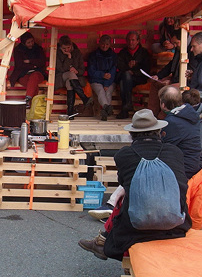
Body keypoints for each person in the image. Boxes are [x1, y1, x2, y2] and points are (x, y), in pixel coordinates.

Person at [78, 109, 191, 260]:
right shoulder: (174, 151)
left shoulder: (124, 155)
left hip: (135, 227)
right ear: (159, 132)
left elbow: (123, 183)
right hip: (177, 224)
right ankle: (102, 241)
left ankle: (103, 241)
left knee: (123, 197)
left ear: (132, 134)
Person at [159, 85, 202, 178]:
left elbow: (164, 148)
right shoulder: (190, 114)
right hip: (192, 164)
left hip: (183, 169)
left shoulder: (172, 122)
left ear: (163, 104)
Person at [116, 31, 151, 119]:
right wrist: (128, 67)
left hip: (139, 78)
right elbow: (119, 66)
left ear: (138, 41)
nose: (130, 42)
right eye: (128, 40)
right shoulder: (123, 52)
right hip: (126, 77)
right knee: (125, 78)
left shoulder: (143, 52)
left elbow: (147, 68)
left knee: (123, 81)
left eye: (133, 40)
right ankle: (127, 105)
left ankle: (125, 108)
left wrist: (134, 72)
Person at [57, 35, 92, 116]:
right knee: (70, 75)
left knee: (70, 83)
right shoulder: (57, 53)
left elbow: (82, 69)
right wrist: (68, 57)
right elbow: (60, 69)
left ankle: (70, 112)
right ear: (60, 47)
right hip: (61, 77)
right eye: (64, 48)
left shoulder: (77, 53)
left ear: (71, 45)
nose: (66, 50)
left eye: (68, 47)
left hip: (75, 77)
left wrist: (76, 71)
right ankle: (84, 98)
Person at [11, 31, 47, 106]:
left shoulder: (38, 49)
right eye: (28, 42)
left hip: (38, 72)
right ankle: (33, 106)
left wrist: (30, 61)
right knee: (33, 85)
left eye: (32, 41)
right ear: (24, 43)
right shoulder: (18, 50)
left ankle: (28, 99)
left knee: (34, 76)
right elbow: (20, 65)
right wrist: (33, 66)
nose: (31, 44)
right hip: (23, 74)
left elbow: (42, 62)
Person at [87, 34, 118, 121]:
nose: (105, 46)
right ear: (99, 43)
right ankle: (107, 108)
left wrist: (107, 83)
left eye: (107, 44)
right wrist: (102, 75)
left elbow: (113, 71)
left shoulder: (113, 56)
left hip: (109, 81)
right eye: (103, 44)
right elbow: (91, 71)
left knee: (108, 92)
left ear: (110, 44)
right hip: (96, 80)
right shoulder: (93, 55)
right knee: (101, 91)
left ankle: (104, 111)